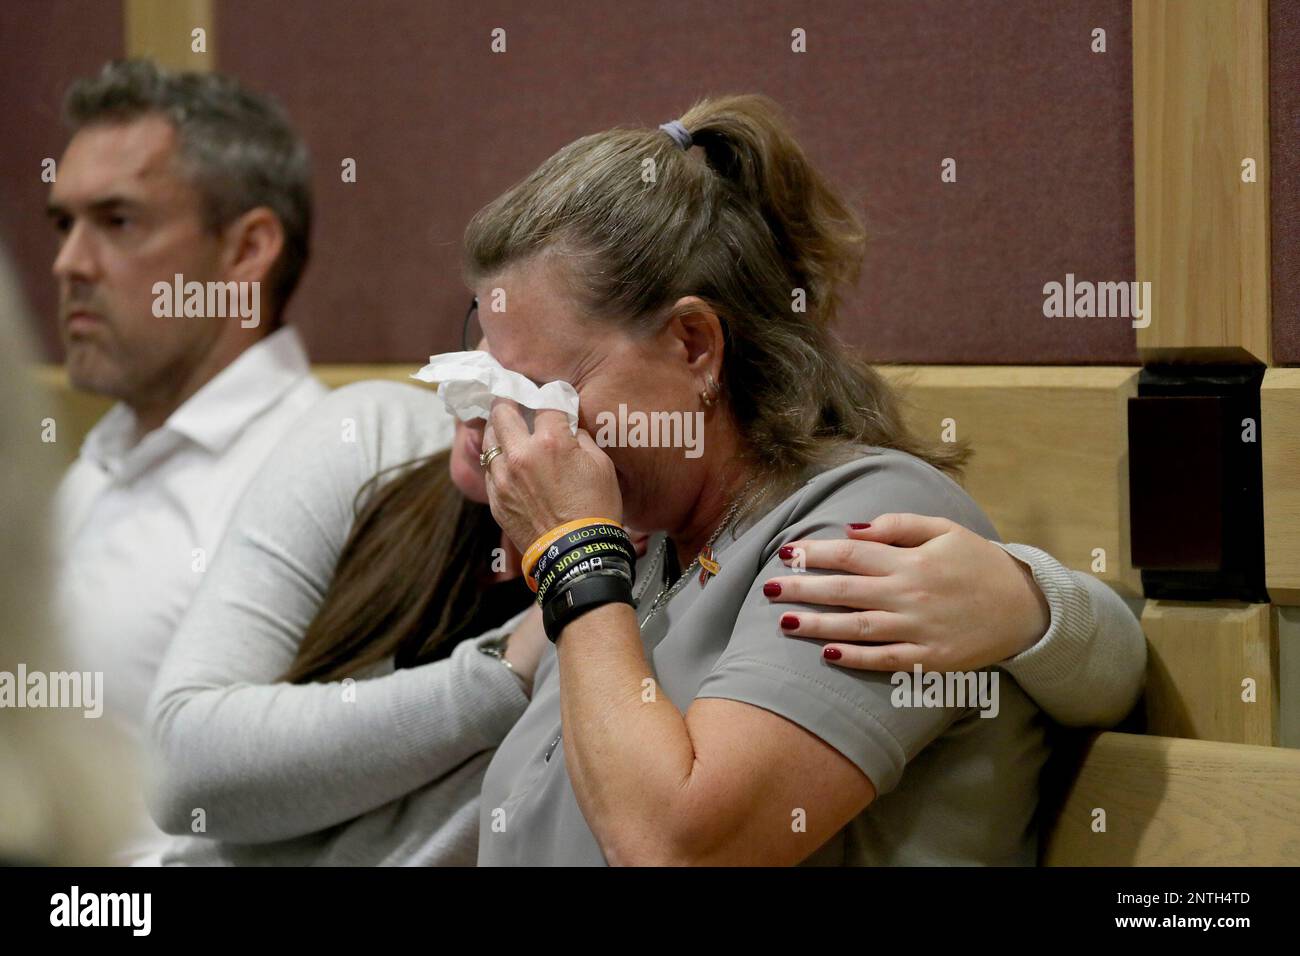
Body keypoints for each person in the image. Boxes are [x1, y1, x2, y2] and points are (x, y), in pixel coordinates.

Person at [470, 95, 1147, 865]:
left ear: (694, 345)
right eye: (506, 395)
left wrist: (574, 560)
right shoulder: (650, 541)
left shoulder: (860, 525)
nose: (531, 437)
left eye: (549, 389)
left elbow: (676, 848)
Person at [146, 369, 1140, 864]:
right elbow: (183, 766)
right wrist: (513, 656)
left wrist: (1029, 596)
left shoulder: (669, 536)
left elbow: (1093, 645)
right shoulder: (377, 442)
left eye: (536, 364)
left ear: (687, 361)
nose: (489, 393)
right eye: (481, 342)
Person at [46, 59, 326, 859]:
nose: (69, 264)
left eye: (118, 221)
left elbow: (300, 826)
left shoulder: (312, 481)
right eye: (63, 224)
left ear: (246, 251)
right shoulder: (102, 454)